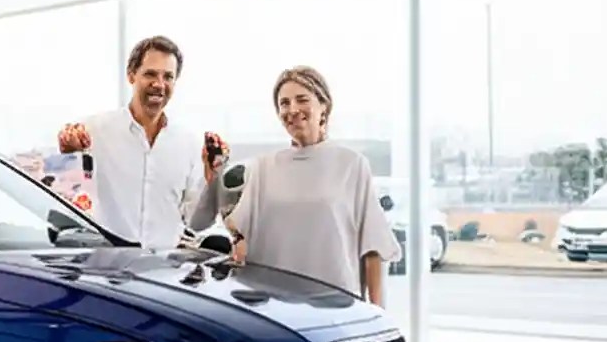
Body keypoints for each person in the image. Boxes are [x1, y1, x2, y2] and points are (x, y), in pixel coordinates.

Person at [226, 65, 400, 307]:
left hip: (337, 305)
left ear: (324, 106)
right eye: (284, 103)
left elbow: (373, 247)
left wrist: (378, 314)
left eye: (302, 99)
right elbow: (239, 232)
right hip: (275, 309)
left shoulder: (352, 165)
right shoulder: (264, 168)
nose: (292, 109)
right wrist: (238, 240)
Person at [58, 35, 219, 249]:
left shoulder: (189, 144)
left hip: (162, 272)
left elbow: (197, 223)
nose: (159, 84)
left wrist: (213, 182)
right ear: (131, 75)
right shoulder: (95, 129)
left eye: (168, 77)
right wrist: (67, 146)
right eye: (150, 74)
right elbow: (60, 182)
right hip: (107, 269)